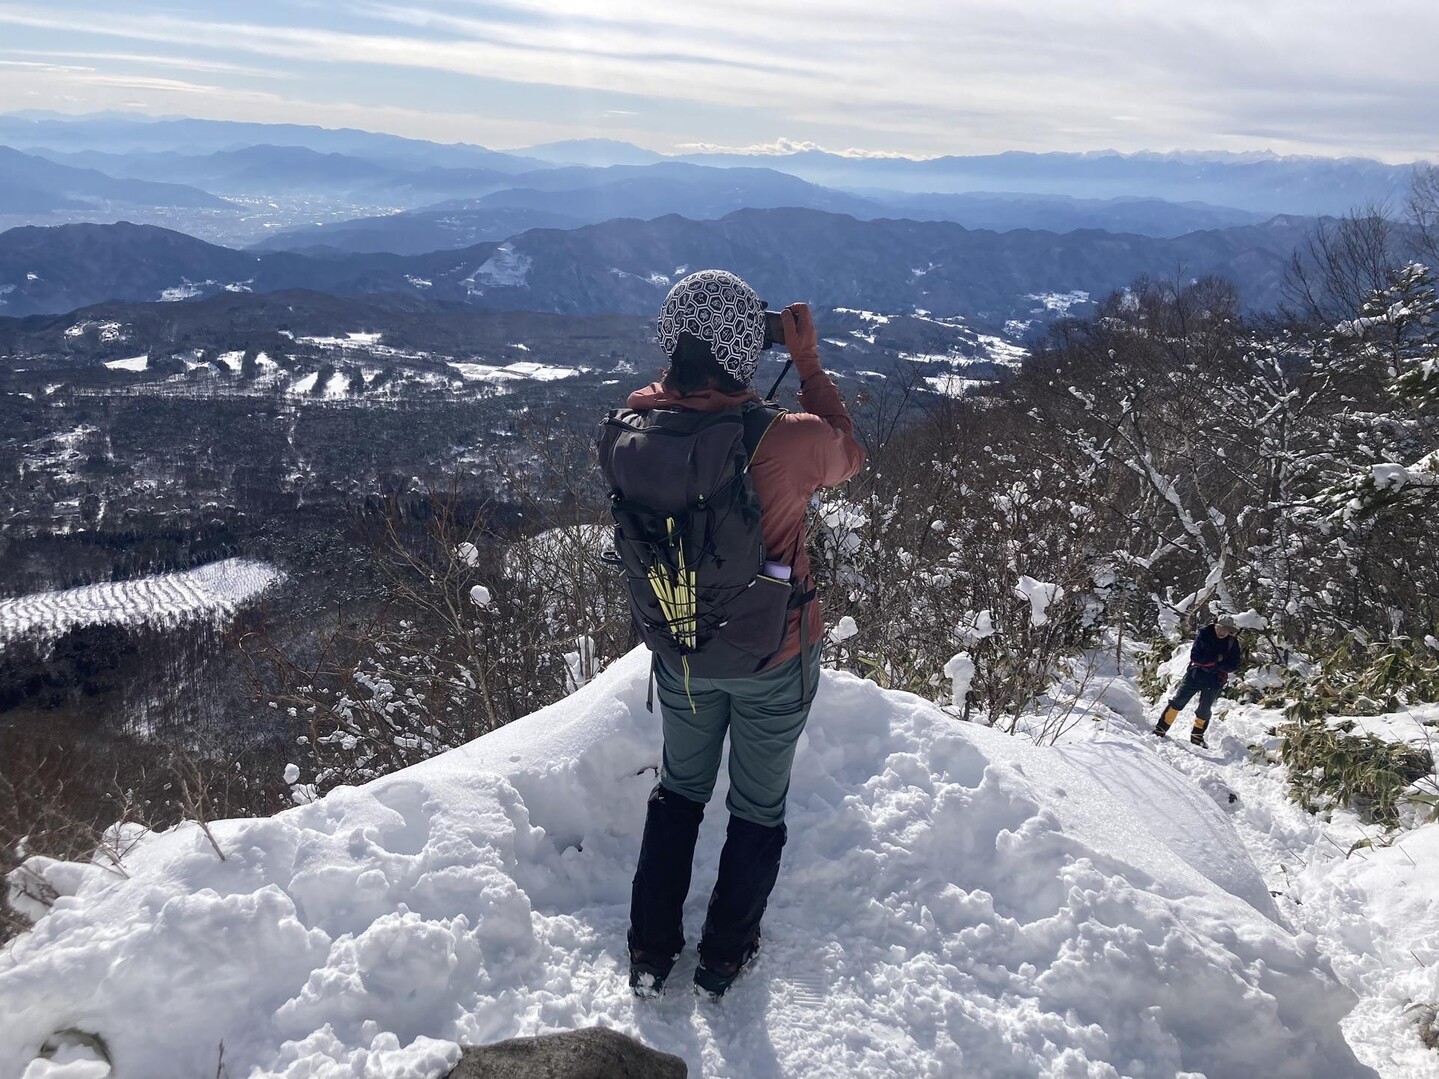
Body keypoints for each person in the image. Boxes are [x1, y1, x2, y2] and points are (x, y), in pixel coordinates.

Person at [614, 269, 865, 999]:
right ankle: (724, 955)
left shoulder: (631, 430)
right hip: (773, 656)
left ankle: (650, 949)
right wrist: (806, 363)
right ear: (743, 347)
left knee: (679, 792)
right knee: (757, 805)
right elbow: (849, 451)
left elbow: (670, 400)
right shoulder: (786, 440)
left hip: (682, 648)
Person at [1153, 614, 1244, 747]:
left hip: (1215, 680)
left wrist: (1215, 665)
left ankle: (1197, 736)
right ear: (1215, 625)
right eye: (1221, 628)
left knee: (1204, 710)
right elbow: (1196, 657)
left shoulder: (1232, 642)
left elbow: (1234, 665)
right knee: (1178, 701)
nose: (1223, 632)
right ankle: (1161, 728)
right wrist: (1217, 661)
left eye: (1227, 629)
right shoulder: (1204, 634)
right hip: (1195, 675)